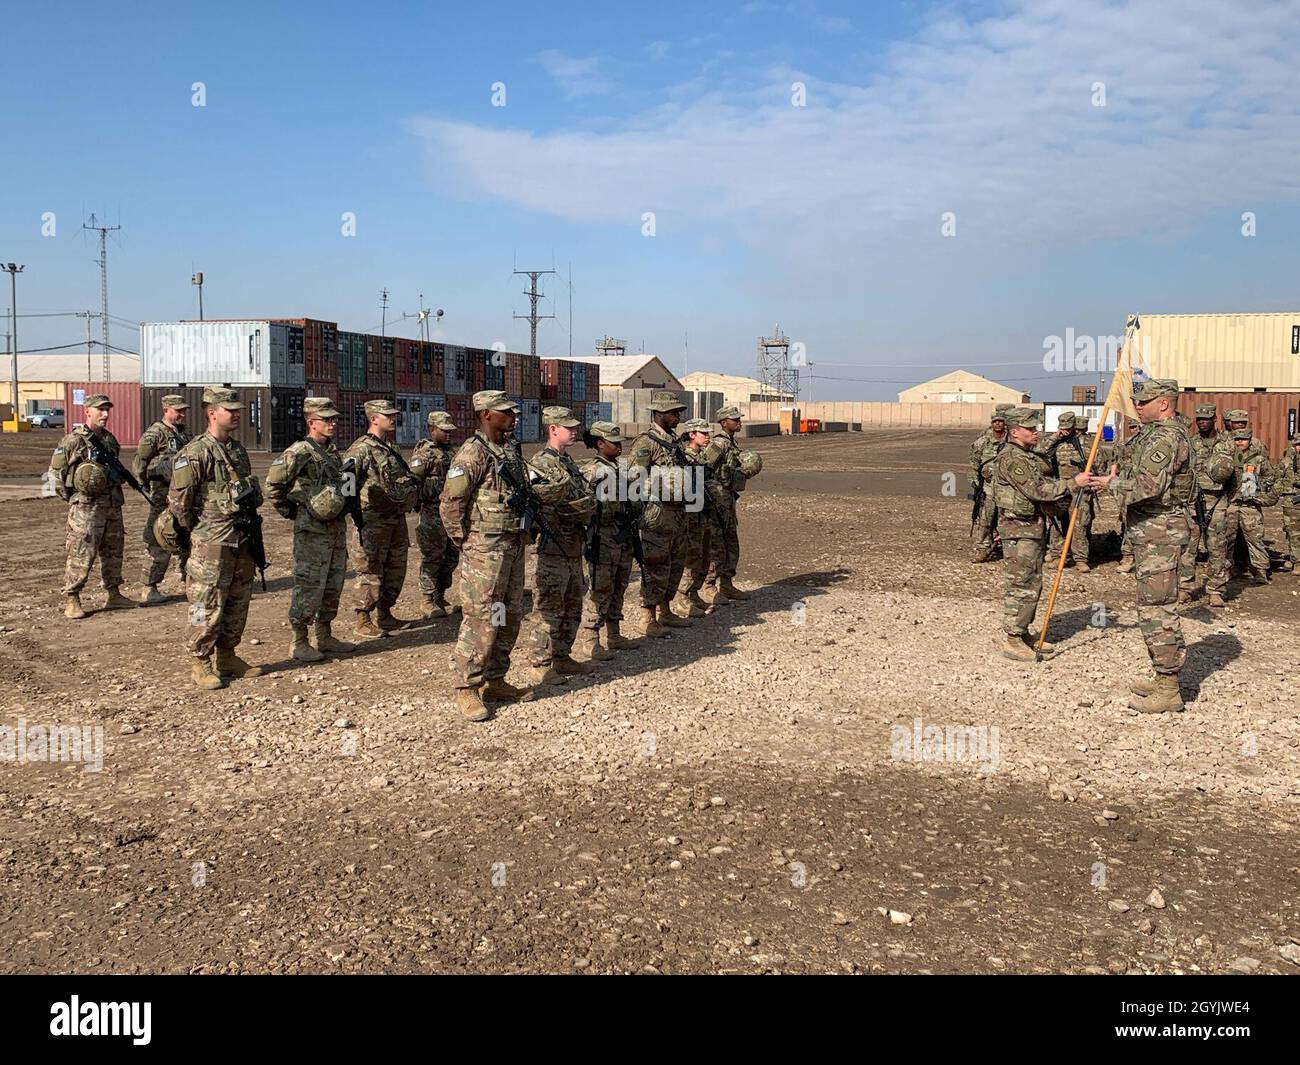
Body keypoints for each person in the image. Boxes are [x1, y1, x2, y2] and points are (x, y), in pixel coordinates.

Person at [1087, 379, 1196, 712]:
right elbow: (1126, 453)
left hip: (1161, 533)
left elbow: (1149, 485)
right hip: (1151, 531)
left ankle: (1169, 687)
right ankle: (1163, 675)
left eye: (1143, 401)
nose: (1137, 406)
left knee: (1157, 609)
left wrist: (1111, 483)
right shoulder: (1152, 433)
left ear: (1163, 403)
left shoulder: (1167, 437)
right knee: (1152, 605)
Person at [440, 390, 536, 722]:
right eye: (506, 412)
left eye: (514, 411)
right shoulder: (471, 454)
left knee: (508, 613)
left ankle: (496, 679)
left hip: (511, 546)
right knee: (481, 617)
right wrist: (466, 544)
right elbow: (451, 504)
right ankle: (467, 688)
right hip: (484, 551)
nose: (514, 417)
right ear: (485, 415)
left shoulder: (508, 452)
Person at [168, 387, 264, 690]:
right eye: (229, 410)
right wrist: (202, 530)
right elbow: (179, 504)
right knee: (205, 601)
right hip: (211, 542)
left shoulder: (237, 450)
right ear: (212, 412)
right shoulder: (195, 453)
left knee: (238, 599)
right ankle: (200, 661)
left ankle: (227, 655)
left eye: (237, 410)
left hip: (241, 538)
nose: (236, 414)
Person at [991, 408, 1090, 662]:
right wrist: (1072, 483)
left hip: (1030, 528)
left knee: (1033, 582)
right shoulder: (1012, 458)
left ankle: (1022, 633)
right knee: (1021, 584)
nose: (1036, 432)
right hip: (1018, 530)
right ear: (1015, 432)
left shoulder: (1026, 455)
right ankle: (1013, 638)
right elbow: (1037, 490)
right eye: (1030, 429)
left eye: (1036, 428)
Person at [265, 396, 356, 662]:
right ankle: (299, 641)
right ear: (311, 422)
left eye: (334, 419)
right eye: (326, 419)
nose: (332, 423)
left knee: (333, 582)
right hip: (312, 532)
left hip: (335, 528)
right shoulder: (299, 452)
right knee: (309, 584)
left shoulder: (332, 451)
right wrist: (294, 511)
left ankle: (324, 635)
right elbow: (273, 485)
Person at [524, 406, 597, 685]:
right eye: (568, 427)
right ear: (553, 429)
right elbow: (539, 503)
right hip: (552, 545)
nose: (574, 431)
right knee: (548, 607)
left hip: (572, 544)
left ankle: (562, 655)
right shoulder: (540, 463)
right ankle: (540, 663)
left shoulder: (568, 462)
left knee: (572, 603)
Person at [49, 394, 138, 618]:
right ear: (87, 411)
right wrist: (75, 499)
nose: (105, 414)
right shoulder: (73, 440)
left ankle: (114, 593)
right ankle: (72, 598)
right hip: (86, 508)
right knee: (81, 551)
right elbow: (55, 475)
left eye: (107, 409)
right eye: (100, 410)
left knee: (113, 550)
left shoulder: (110, 440)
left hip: (111, 505)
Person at [345, 398, 419, 638]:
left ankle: (385, 614)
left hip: (394, 519)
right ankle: (362, 618)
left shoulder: (391, 448)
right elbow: (346, 484)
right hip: (371, 521)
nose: (393, 419)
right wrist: (357, 510)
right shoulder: (361, 449)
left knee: (395, 567)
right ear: (373, 418)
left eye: (394, 415)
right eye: (388, 415)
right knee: (370, 568)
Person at [630, 391, 693, 635]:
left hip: (678, 513)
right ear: (660, 413)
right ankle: (648, 617)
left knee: (675, 563)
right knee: (655, 564)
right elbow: (635, 478)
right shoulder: (646, 442)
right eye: (673, 412)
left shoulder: (674, 441)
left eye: (678, 412)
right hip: (657, 513)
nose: (678, 416)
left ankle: (666, 611)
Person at [577, 421, 640, 660]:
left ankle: (614, 634)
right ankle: (591, 639)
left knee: (619, 584)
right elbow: (584, 506)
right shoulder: (591, 471)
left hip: (623, 535)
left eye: (620, 442)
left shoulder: (619, 468)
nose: (619, 447)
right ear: (600, 443)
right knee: (600, 588)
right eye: (614, 443)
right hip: (602, 537)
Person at [1206, 427, 1276, 606]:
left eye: (1243, 439)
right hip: (1230, 504)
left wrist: (1259, 489)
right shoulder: (1228, 458)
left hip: (1250, 506)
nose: (1240, 442)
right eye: (1237, 439)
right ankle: (1227, 570)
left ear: (1250, 440)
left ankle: (1260, 570)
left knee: (1255, 538)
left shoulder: (1258, 459)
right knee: (1226, 540)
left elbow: (1270, 477)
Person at [133, 394, 192, 602]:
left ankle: (188, 579)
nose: (182, 415)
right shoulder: (154, 434)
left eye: (184, 411)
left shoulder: (185, 434)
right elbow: (140, 464)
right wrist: (152, 479)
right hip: (162, 496)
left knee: (187, 535)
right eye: (178, 411)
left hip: (184, 497)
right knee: (159, 537)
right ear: (166, 410)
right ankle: (150, 586)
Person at [410, 410, 460, 618]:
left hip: (450, 514)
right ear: (432, 430)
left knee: (451, 555)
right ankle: (427, 599)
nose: (448, 434)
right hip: (431, 513)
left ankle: (440, 596)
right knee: (433, 556)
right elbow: (413, 482)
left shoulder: (452, 452)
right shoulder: (424, 454)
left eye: (450, 430)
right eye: (443, 430)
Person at [702, 405, 753, 603]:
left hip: (727, 501)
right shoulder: (718, 444)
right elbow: (703, 468)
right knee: (716, 544)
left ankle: (727, 584)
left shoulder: (732, 443)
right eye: (735, 419)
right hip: (715, 503)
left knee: (730, 541)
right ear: (724, 423)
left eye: (739, 419)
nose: (739, 422)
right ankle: (709, 586)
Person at [1038, 411, 1094, 571]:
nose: (1066, 431)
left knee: (1079, 524)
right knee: (1057, 524)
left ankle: (1080, 559)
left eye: (1068, 428)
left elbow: (1097, 463)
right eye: (1063, 428)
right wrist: (1056, 436)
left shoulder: (1085, 443)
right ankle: (1057, 555)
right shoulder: (1056, 442)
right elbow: (1040, 452)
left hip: (1080, 490)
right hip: (1061, 488)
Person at [1186, 403, 1231, 596]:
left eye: (1206, 419)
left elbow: (1236, 472)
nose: (1202, 423)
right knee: (1188, 546)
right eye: (1199, 419)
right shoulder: (1190, 443)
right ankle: (1185, 587)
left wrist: (1231, 498)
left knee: (1217, 546)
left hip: (1218, 499)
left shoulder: (1227, 442)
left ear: (1214, 420)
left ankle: (1216, 590)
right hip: (1193, 499)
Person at [675, 418, 716, 618]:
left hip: (703, 512)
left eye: (708, 433)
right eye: (704, 433)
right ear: (692, 434)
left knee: (703, 553)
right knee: (691, 555)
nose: (708, 436)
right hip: (691, 513)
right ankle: (682, 596)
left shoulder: (701, 457)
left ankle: (693, 592)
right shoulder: (684, 457)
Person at [969, 406, 1012, 563]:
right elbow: (974, 463)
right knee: (986, 521)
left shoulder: (1011, 441)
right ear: (991, 423)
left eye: (1001, 421)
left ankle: (1008, 550)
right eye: (995, 422)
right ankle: (983, 549)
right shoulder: (982, 442)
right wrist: (975, 481)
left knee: (1008, 520)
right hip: (988, 489)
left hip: (1008, 489)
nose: (998, 424)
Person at [1276, 433, 1300, 571]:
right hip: (1290, 500)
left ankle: (1298, 562)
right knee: (1291, 531)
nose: (1299, 448)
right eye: (1297, 445)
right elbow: (1277, 478)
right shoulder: (1286, 462)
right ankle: (1294, 557)